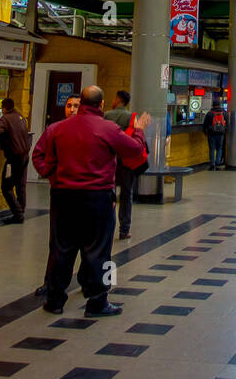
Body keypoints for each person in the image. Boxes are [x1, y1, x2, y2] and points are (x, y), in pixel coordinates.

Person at [32, 85, 149, 316]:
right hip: (98, 198)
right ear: (102, 104)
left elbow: (38, 154)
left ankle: (54, 301)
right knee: (99, 251)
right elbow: (135, 150)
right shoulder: (108, 129)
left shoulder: (56, 128)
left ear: (81, 103)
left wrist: (50, 172)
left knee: (61, 249)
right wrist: (138, 129)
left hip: (63, 196)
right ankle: (97, 301)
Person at [34, 95, 80, 297]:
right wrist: (48, 173)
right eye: (69, 105)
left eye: (76, 106)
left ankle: (86, 282)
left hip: (86, 193)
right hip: (61, 192)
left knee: (87, 243)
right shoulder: (54, 130)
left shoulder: (91, 129)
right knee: (57, 242)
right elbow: (38, 154)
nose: (71, 109)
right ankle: (51, 283)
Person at [0, 97, 32, 225]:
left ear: (4, 108)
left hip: (13, 159)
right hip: (25, 156)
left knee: (6, 187)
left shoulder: (5, 119)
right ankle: (21, 212)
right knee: (21, 186)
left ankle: (18, 214)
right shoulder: (20, 117)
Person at [104, 89, 136, 240]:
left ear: (117, 100)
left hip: (108, 160)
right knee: (126, 194)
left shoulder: (106, 115)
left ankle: (106, 228)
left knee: (108, 194)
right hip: (126, 161)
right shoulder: (131, 117)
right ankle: (125, 229)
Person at [203, 98, 227, 170]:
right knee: (219, 148)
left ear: (213, 105)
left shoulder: (210, 113)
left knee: (212, 149)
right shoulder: (224, 112)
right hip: (221, 133)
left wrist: (205, 132)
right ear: (220, 105)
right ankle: (218, 162)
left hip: (211, 133)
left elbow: (205, 124)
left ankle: (212, 164)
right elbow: (227, 122)